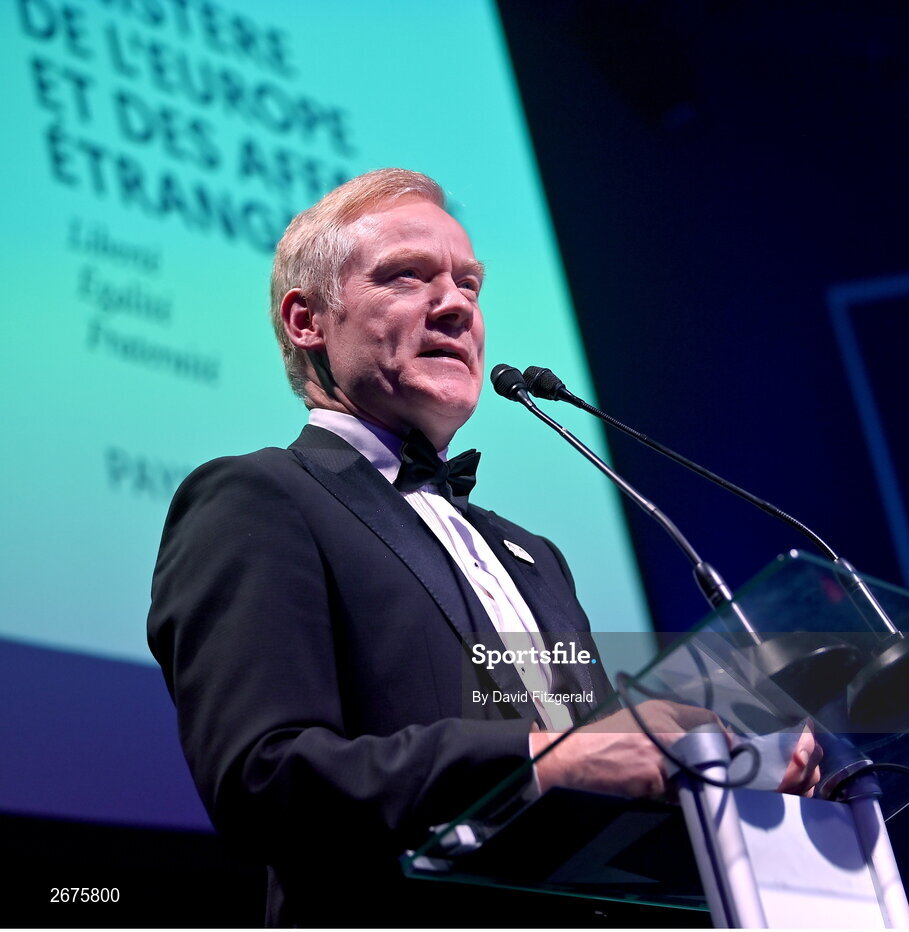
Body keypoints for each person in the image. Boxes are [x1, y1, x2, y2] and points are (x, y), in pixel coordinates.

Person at [148, 168, 820, 926]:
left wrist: (720, 775)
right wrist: (543, 760)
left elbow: (595, 807)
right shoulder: (260, 499)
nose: (455, 305)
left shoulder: (535, 558)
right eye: (407, 277)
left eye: (469, 284)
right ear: (307, 321)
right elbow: (262, 781)